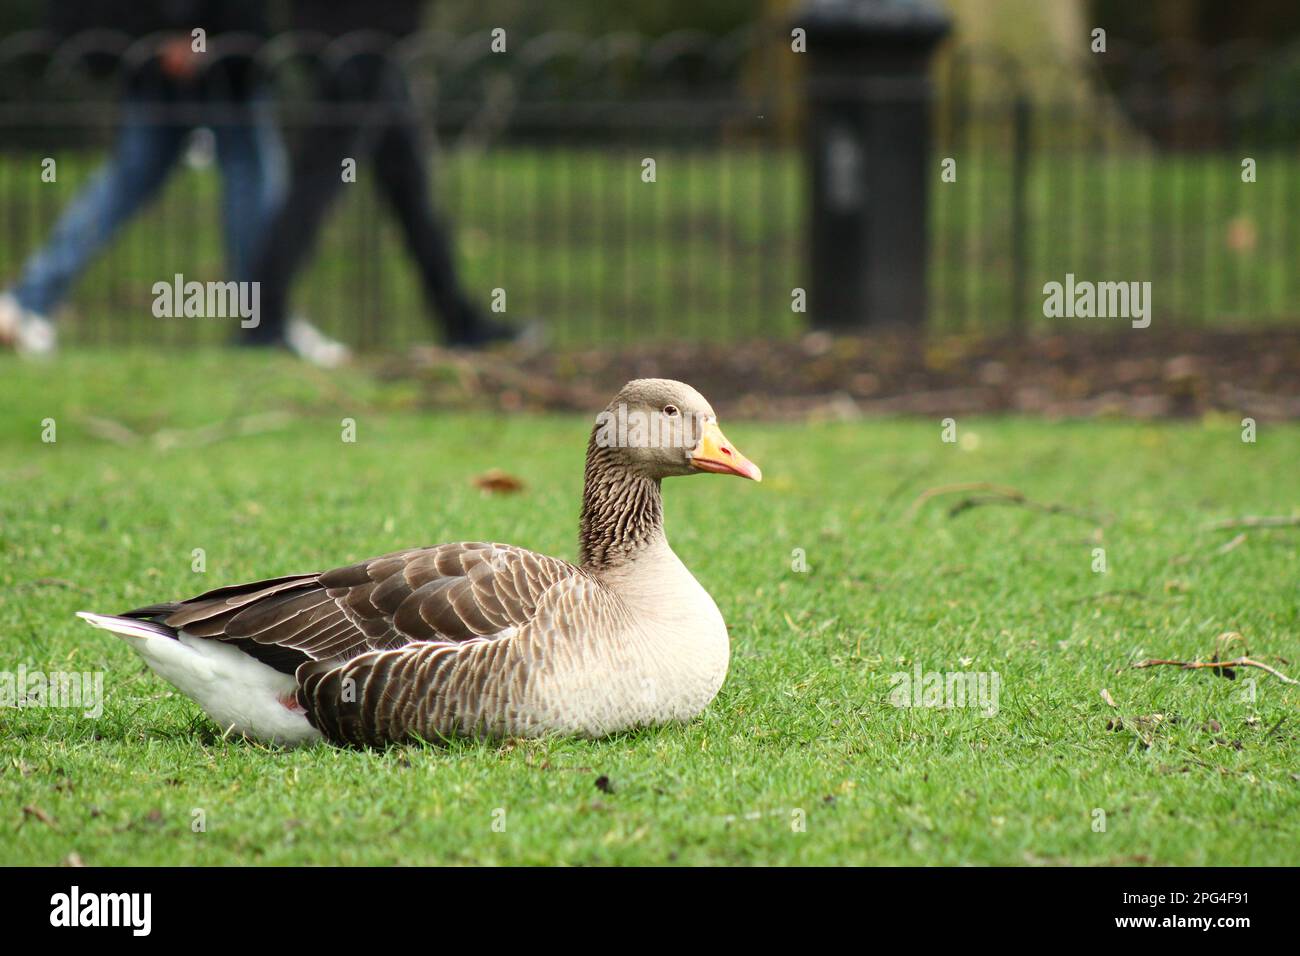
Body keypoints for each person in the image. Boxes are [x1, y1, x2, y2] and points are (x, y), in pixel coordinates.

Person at [0, 0, 292, 356]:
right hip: (202, 56)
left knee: (129, 183)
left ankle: (264, 317)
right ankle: (264, 320)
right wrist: (186, 35)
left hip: (201, 58)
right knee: (243, 179)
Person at [242, 0, 520, 364]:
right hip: (354, 51)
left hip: (373, 50)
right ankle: (264, 317)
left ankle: (459, 320)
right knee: (316, 188)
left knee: (409, 192)